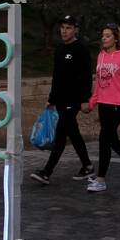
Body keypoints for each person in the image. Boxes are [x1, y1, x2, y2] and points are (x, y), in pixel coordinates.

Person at [30, 15, 94, 186]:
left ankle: (46, 172)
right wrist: (51, 99)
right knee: (73, 132)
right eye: (63, 27)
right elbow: (57, 76)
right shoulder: (59, 49)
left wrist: (85, 99)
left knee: (60, 134)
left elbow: (87, 76)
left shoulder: (81, 49)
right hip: (60, 100)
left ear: (76, 30)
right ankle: (88, 166)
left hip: (74, 100)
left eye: (68, 28)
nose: (64, 31)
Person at [82, 22, 120, 193]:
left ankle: (101, 179)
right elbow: (99, 83)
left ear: (116, 39)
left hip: (118, 103)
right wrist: (92, 102)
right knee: (111, 139)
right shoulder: (101, 56)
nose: (104, 38)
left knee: (105, 138)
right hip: (103, 103)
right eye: (103, 35)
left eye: (108, 35)